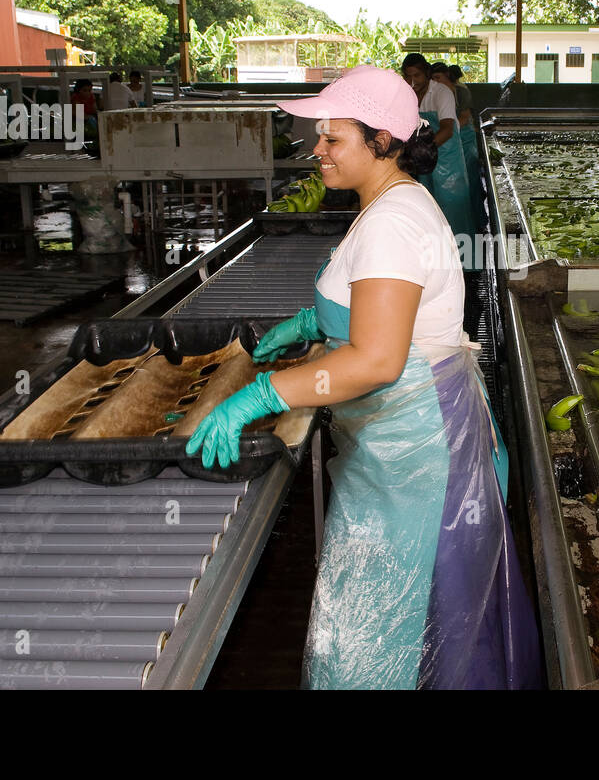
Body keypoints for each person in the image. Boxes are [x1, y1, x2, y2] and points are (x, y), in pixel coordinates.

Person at [184, 65, 541, 690]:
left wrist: (259, 395)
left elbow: (377, 360)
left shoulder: (391, 224)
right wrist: (310, 322)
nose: (317, 151)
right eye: (317, 136)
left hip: (415, 456)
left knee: (388, 626)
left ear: (381, 140)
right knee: (410, 610)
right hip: (411, 440)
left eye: (333, 139)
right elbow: (384, 306)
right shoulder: (391, 201)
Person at [401, 53, 475, 246]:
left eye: (416, 76)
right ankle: (433, 262)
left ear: (426, 73)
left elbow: (448, 129)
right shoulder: (407, 95)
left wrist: (421, 151)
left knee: (453, 210)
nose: (412, 81)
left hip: (447, 160)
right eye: (408, 77)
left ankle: (464, 266)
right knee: (428, 211)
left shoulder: (442, 92)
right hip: (424, 160)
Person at [429, 62, 483, 228]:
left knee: (471, 182)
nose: (436, 82)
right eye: (433, 79)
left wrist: (452, 130)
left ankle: (477, 220)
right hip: (448, 144)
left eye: (438, 78)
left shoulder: (461, 91)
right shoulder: (434, 94)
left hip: (465, 140)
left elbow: (465, 117)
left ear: (448, 76)